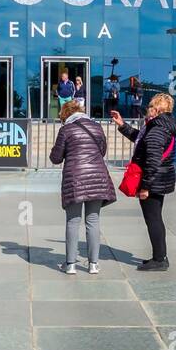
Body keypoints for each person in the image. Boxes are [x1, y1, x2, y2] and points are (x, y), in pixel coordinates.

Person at [112, 91, 176, 272]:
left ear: (156, 109)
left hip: (154, 180)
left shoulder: (157, 129)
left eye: (149, 106)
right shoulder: (159, 126)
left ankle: (160, 259)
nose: (147, 109)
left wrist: (145, 186)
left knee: (153, 219)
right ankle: (160, 256)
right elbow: (141, 141)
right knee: (155, 218)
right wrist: (123, 126)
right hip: (160, 178)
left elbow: (152, 160)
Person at [49, 99, 116, 274]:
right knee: (93, 220)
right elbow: (102, 151)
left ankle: (70, 265)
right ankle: (93, 264)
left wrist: (54, 150)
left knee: (73, 221)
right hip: (97, 177)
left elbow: (56, 158)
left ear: (65, 114)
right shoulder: (96, 127)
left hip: (75, 178)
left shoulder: (66, 130)